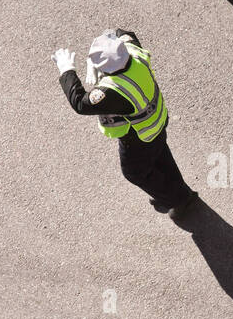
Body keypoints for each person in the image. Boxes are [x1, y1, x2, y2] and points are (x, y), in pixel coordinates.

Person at [54, 29, 198, 218]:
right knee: (160, 156)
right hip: (156, 121)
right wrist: (108, 42)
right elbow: (124, 32)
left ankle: (176, 199)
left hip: (138, 137)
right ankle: (179, 191)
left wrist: (67, 70)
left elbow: (80, 103)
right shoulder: (133, 51)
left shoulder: (115, 91)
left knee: (135, 172)